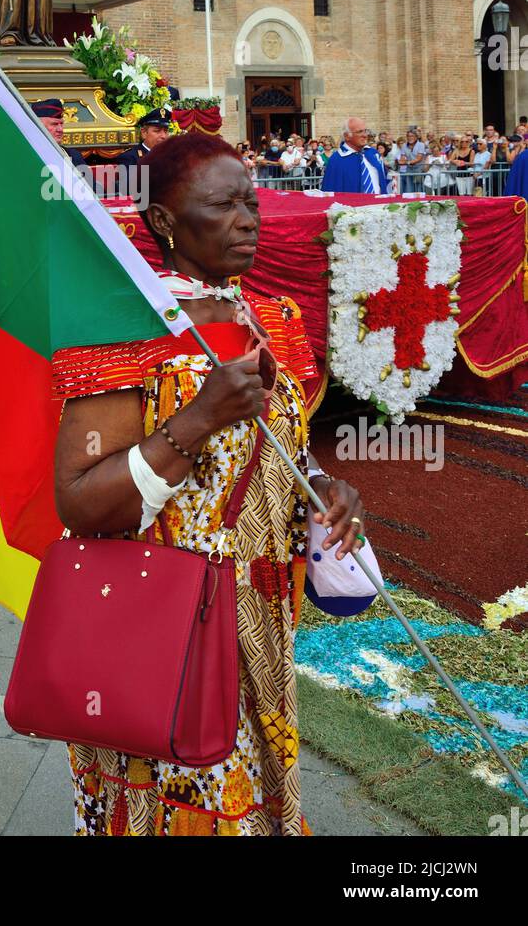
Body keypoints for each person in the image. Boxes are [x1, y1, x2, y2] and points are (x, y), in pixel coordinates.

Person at [52, 135, 366, 836]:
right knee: (183, 789)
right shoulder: (122, 327)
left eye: (251, 203)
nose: (247, 220)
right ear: (163, 221)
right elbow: (78, 501)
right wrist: (192, 422)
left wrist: (323, 487)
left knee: (255, 780)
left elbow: (281, 449)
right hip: (157, 617)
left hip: (260, 611)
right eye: (223, 205)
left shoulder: (270, 320)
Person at [320, 117, 388, 194]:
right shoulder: (337, 160)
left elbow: (383, 182)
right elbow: (329, 192)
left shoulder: (374, 154)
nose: (365, 135)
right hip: (352, 205)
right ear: (346, 136)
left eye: (365, 131)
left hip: (378, 204)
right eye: (359, 132)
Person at [31, 98, 87, 168]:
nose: (60, 129)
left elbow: (87, 179)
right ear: (38, 126)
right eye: (54, 124)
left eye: (61, 124)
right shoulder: (27, 155)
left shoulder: (74, 156)